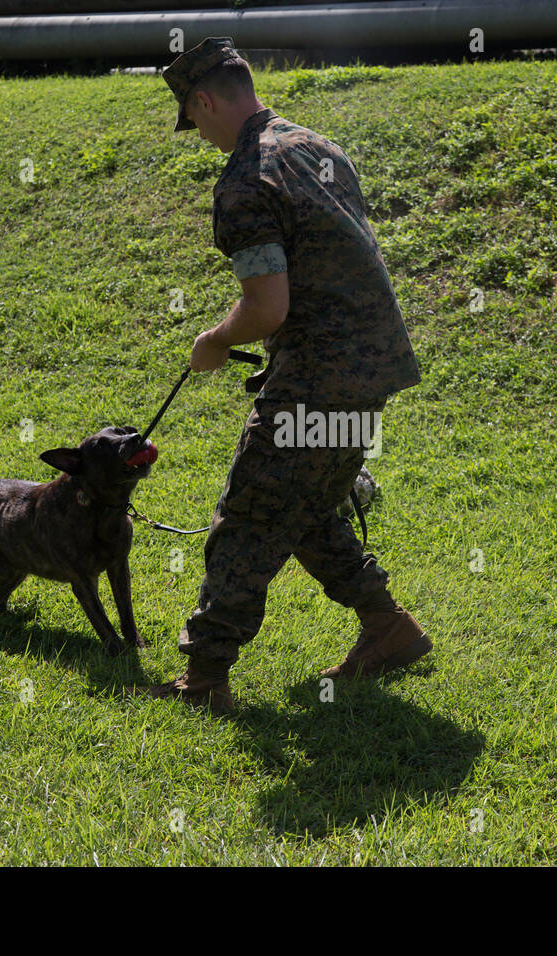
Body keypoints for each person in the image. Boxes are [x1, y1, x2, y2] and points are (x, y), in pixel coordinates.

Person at [147, 37, 427, 714]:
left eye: (194, 120)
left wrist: (213, 340)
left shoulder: (246, 180)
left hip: (319, 375)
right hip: (373, 365)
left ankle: (205, 678)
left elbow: (268, 307)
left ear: (205, 100)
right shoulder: (314, 145)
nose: (201, 137)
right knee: (303, 506)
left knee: (247, 513)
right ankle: (389, 630)